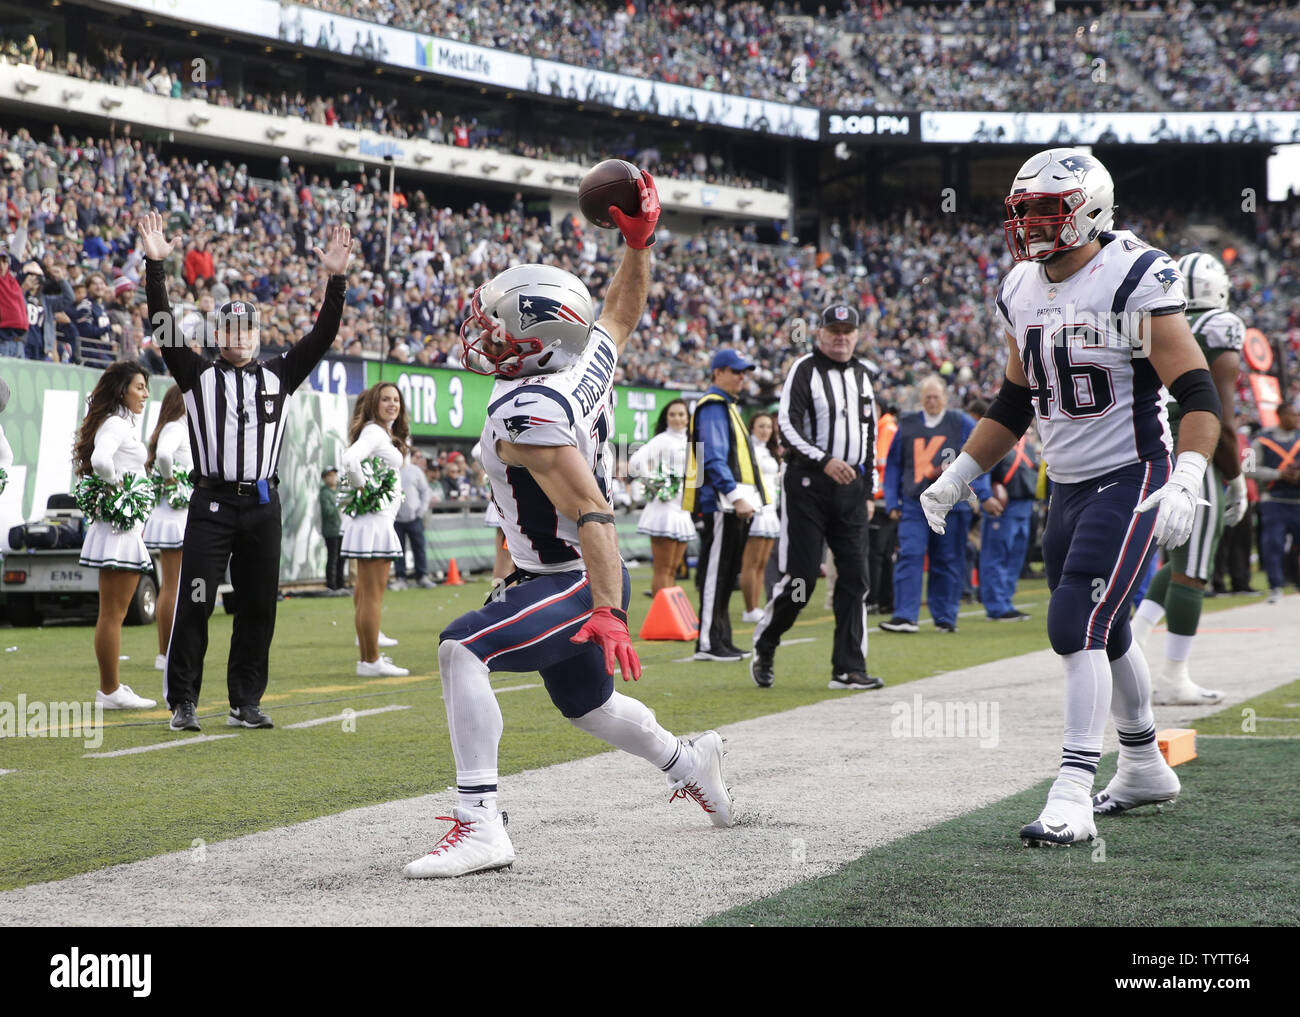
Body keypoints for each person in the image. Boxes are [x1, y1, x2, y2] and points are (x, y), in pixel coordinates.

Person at [405, 173, 732, 879]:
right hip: (553, 571)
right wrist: (639, 242)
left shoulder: (528, 413)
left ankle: (481, 822)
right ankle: (689, 759)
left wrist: (610, 610)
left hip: (572, 576)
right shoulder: (581, 362)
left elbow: (592, 512)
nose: (484, 333)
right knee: (589, 705)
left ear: (537, 339)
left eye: (501, 326)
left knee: (461, 649)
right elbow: (619, 313)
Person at [920, 148, 1222, 847]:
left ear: (1089, 209)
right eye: (1021, 213)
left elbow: (1197, 391)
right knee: (1107, 627)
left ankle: (1073, 789)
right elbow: (1014, 400)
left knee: (1073, 622)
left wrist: (1187, 474)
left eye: (1043, 212)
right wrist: (960, 474)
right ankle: (1145, 763)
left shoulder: (1132, 276)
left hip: (1133, 472)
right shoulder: (1021, 287)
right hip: (1070, 483)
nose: (1028, 228)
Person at [138, 210, 353, 733]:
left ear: (256, 334)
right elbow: (163, 325)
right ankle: (183, 701)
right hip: (210, 505)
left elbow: (323, 334)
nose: (237, 335)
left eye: (246, 327)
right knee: (196, 600)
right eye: (229, 327)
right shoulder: (196, 373)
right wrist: (155, 267)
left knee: (259, 606)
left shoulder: (280, 372)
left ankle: (245, 700)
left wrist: (337, 280)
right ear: (218, 333)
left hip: (261, 505)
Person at [1128, 252, 1248, 703]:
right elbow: (1222, 417)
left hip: (1155, 448)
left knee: (1177, 564)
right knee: (1194, 570)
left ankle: (1134, 645)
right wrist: (1236, 476)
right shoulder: (1220, 326)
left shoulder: (1160, 318)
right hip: (1195, 452)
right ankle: (1174, 678)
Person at [752, 304, 883, 690]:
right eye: (834, 330)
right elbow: (787, 426)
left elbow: (870, 434)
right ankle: (767, 640)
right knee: (802, 579)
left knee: (856, 578)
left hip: (852, 490)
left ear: (857, 335)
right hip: (809, 485)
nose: (841, 337)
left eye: (848, 330)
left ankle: (848, 667)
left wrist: (870, 487)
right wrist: (823, 460)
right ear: (821, 333)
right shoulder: (804, 369)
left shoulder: (864, 376)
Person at [72, 361, 157, 711]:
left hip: (120, 530)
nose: (145, 394)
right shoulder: (117, 424)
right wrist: (118, 492)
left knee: (113, 613)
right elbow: (102, 460)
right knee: (113, 614)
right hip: (119, 531)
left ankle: (111, 688)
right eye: (139, 387)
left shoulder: (117, 423)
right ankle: (109, 690)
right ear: (122, 390)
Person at [880, 375, 993, 635]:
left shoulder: (960, 422)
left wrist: (983, 494)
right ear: (921, 399)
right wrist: (891, 500)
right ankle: (905, 615)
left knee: (947, 560)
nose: (932, 401)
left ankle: (945, 616)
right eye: (927, 397)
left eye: (936, 396)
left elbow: (980, 455)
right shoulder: (907, 423)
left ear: (945, 398)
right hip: (914, 503)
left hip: (951, 505)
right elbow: (895, 463)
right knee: (910, 554)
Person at [683, 349, 767, 662]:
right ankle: (707, 642)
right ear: (717, 372)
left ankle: (721, 637)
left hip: (730, 504)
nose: (741, 377)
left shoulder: (727, 406)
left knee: (726, 572)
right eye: (735, 371)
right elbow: (713, 455)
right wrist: (735, 495)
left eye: (744, 372)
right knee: (716, 573)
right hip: (721, 503)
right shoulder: (714, 405)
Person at [342, 381, 410, 677]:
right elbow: (350, 459)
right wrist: (362, 487)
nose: (392, 404)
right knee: (372, 596)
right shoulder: (373, 431)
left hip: (374, 522)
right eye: (385, 399)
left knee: (365, 594)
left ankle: (368, 658)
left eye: (396, 399)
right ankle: (370, 662)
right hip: (375, 523)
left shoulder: (383, 432)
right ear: (374, 403)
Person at [142, 384, 191, 672]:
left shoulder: (177, 426)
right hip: (177, 515)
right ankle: (166, 653)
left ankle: (171, 650)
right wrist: (172, 481)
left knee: (176, 585)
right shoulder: (176, 427)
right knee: (172, 586)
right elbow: (163, 455)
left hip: (175, 514)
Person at [627, 398, 692, 596]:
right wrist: (657, 485)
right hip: (663, 509)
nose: (677, 418)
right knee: (663, 569)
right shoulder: (663, 439)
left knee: (673, 569)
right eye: (672, 414)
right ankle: (661, 617)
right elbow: (635, 463)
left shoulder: (690, 441)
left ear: (688, 418)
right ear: (666, 418)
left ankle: (670, 619)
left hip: (682, 508)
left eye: (681, 414)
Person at [979, 429, 1041, 622]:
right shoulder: (997, 442)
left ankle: (1006, 601)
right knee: (996, 557)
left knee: (1015, 557)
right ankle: (996, 606)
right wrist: (985, 495)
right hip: (1004, 507)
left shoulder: (1029, 447)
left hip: (1025, 506)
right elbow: (982, 470)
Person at [1245, 399, 1300, 604]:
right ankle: (1275, 586)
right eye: (1293, 415)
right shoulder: (1261, 439)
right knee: (1273, 544)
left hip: (1297, 500)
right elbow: (1247, 467)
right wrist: (1278, 474)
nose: (1296, 418)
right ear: (1281, 416)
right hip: (1274, 500)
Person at [740, 411, 780, 622]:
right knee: (751, 562)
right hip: (757, 509)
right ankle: (749, 608)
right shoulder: (748, 449)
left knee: (763, 562)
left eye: (768, 426)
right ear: (752, 428)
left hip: (771, 510)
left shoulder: (769, 450)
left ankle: (756, 606)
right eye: (761, 426)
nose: (765, 431)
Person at [393, 448, 435, 589]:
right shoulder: (389, 471)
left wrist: (421, 511)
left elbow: (425, 491)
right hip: (396, 519)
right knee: (398, 550)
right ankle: (400, 577)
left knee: (419, 547)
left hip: (414, 517)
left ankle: (422, 576)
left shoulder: (415, 471)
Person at [319, 467, 345, 592]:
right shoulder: (324, 493)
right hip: (331, 531)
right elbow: (327, 511)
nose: (333, 477)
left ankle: (341, 584)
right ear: (324, 479)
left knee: (341, 558)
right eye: (329, 475)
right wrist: (339, 504)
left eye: (334, 475)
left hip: (342, 529)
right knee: (333, 558)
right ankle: (331, 585)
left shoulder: (339, 490)